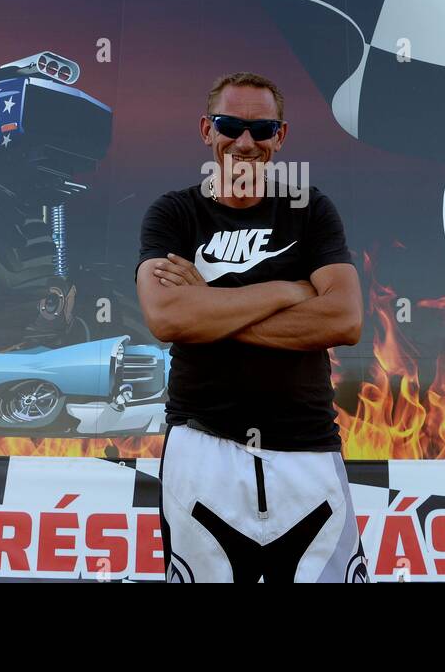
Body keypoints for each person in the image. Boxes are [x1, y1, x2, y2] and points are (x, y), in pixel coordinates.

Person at [136, 72, 369, 583]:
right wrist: (290, 291)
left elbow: (344, 319)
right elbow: (167, 317)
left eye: (261, 129)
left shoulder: (309, 209)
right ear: (206, 129)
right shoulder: (175, 213)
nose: (245, 142)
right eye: (230, 125)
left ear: (279, 137)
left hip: (307, 449)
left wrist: (209, 308)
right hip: (202, 448)